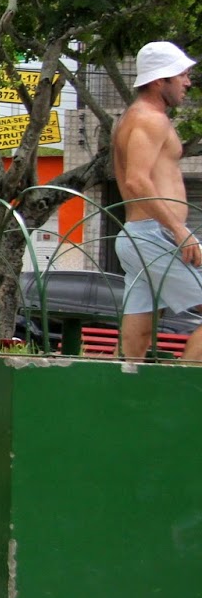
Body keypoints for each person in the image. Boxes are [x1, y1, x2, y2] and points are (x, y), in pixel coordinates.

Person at [111, 41, 202, 362]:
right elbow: (136, 180)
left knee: (136, 337)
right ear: (159, 80)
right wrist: (179, 229)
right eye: (182, 75)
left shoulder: (135, 118)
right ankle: (182, 387)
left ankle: (119, 389)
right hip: (155, 236)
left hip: (141, 237)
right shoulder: (150, 119)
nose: (188, 82)